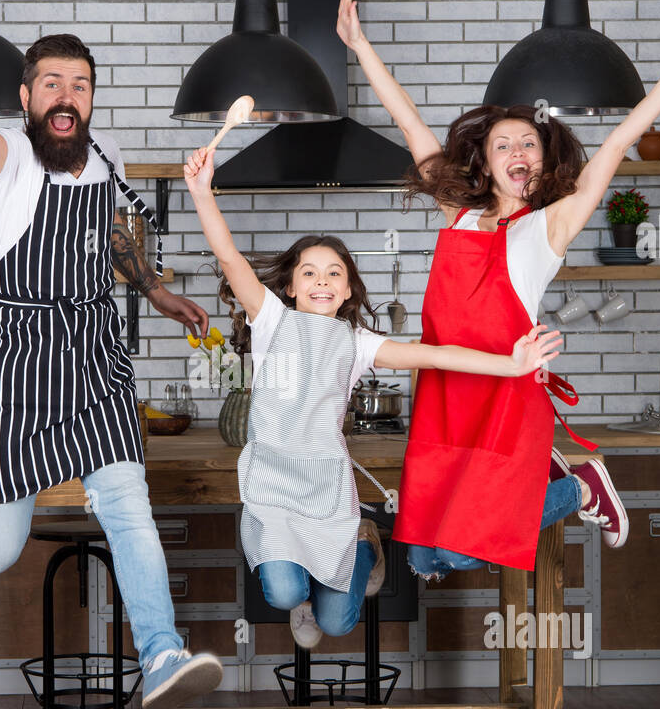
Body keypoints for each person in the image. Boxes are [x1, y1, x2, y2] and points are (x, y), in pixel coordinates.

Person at [0, 34, 222, 709]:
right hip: (21, 364)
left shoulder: (105, 154)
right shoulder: (6, 156)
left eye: (80, 85)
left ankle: (161, 654)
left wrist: (153, 290)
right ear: (26, 96)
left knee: (128, 503)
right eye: (52, 84)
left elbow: (114, 235)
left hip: (95, 356)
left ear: (91, 98)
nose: (67, 98)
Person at [336, 0, 660, 578]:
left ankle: (581, 487)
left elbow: (618, 142)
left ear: (542, 159)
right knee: (425, 553)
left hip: (506, 395)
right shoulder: (457, 214)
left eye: (528, 143)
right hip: (445, 393)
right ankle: (557, 482)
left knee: (461, 549)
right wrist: (359, 46)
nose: (517, 150)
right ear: (484, 162)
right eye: (503, 144)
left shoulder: (549, 226)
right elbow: (408, 121)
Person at [183, 145, 562, 646]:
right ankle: (301, 589)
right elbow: (229, 257)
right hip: (272, 487)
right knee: (282, 592)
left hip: (327, 492)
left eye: (334, 273)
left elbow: (435, 355)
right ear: (291, 287)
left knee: (337, 623)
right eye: (309, 272)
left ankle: (366, 542)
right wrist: (201, 193)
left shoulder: (357, 343)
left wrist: (511, 364)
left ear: (347, 291)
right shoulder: (271, 320)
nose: (322, 281)